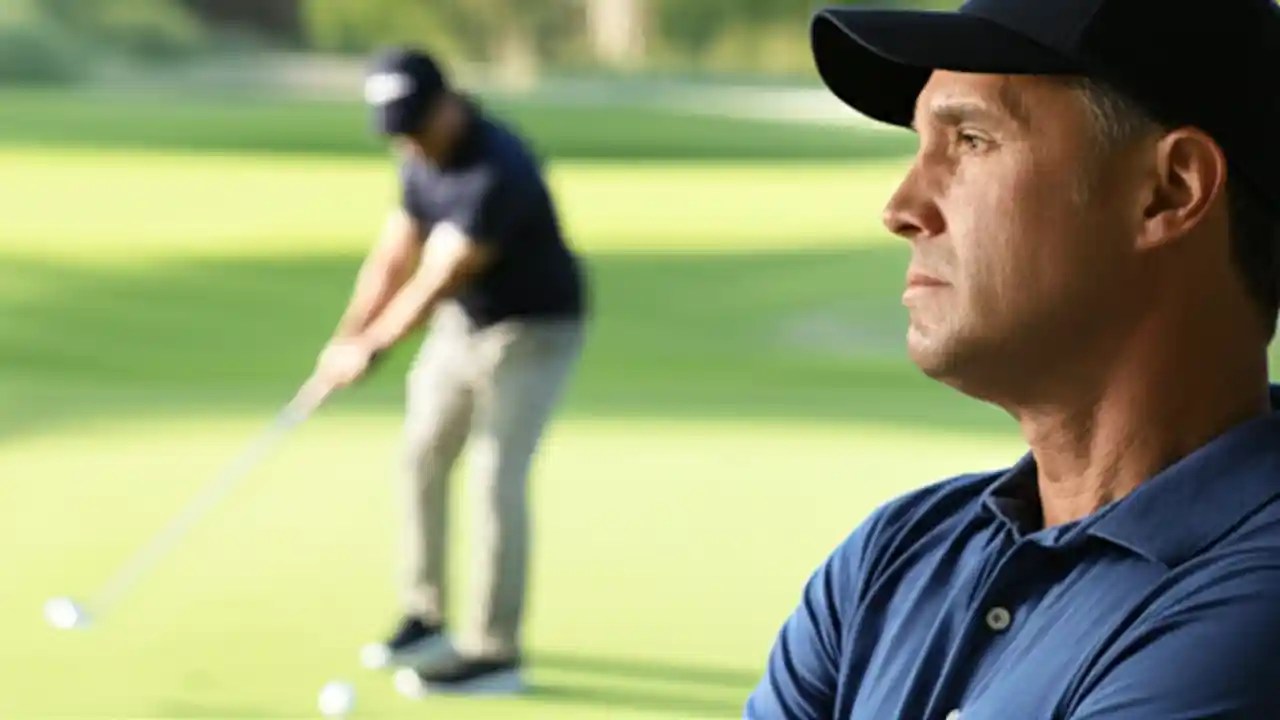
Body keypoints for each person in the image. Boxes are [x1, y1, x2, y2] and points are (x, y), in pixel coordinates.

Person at [747, 0, 1280, 717]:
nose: (903, 207)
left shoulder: (1256, 605)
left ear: (1168, 191)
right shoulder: (889, 561)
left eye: (970, 139)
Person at [300, 47, 587, 696]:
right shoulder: (416, 155)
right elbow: (393, 256)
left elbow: (436, 276)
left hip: (534, 329)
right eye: (395, 130)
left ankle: (493, 652)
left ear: (448, 105)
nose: (408, 142)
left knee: (494, 478)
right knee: (421, 456)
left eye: (415, 125)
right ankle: (425, 615)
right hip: (463, 325)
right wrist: (343, 338)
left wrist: (369, 349)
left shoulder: (498, 170)